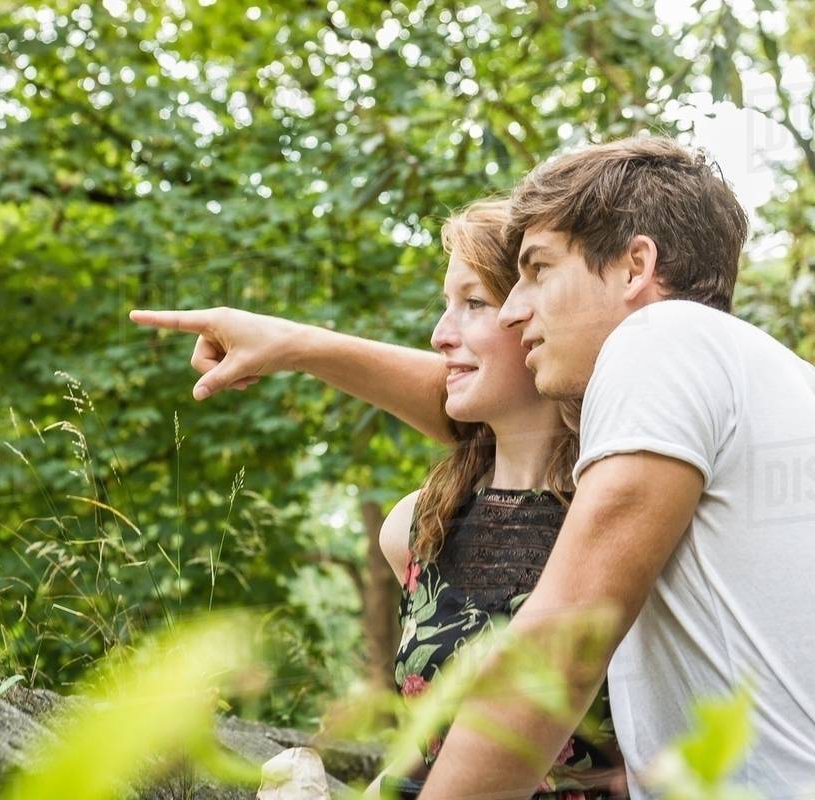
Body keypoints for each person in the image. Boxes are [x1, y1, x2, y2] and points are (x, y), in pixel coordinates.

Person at [136, 136, 815, 797]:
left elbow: (556, 647)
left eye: (539, 270)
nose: (521, 312)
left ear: (636, 267)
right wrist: (296, 344)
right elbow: (489, 415)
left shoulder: (661, 339)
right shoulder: (736, 379)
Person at [133, 198, 624, 797]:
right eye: (447, 305)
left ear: (534, 314)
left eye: (474, 303)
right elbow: (426, 756)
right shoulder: (420, 527)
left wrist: (297, 345)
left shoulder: (621, 509)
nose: (441, 336)